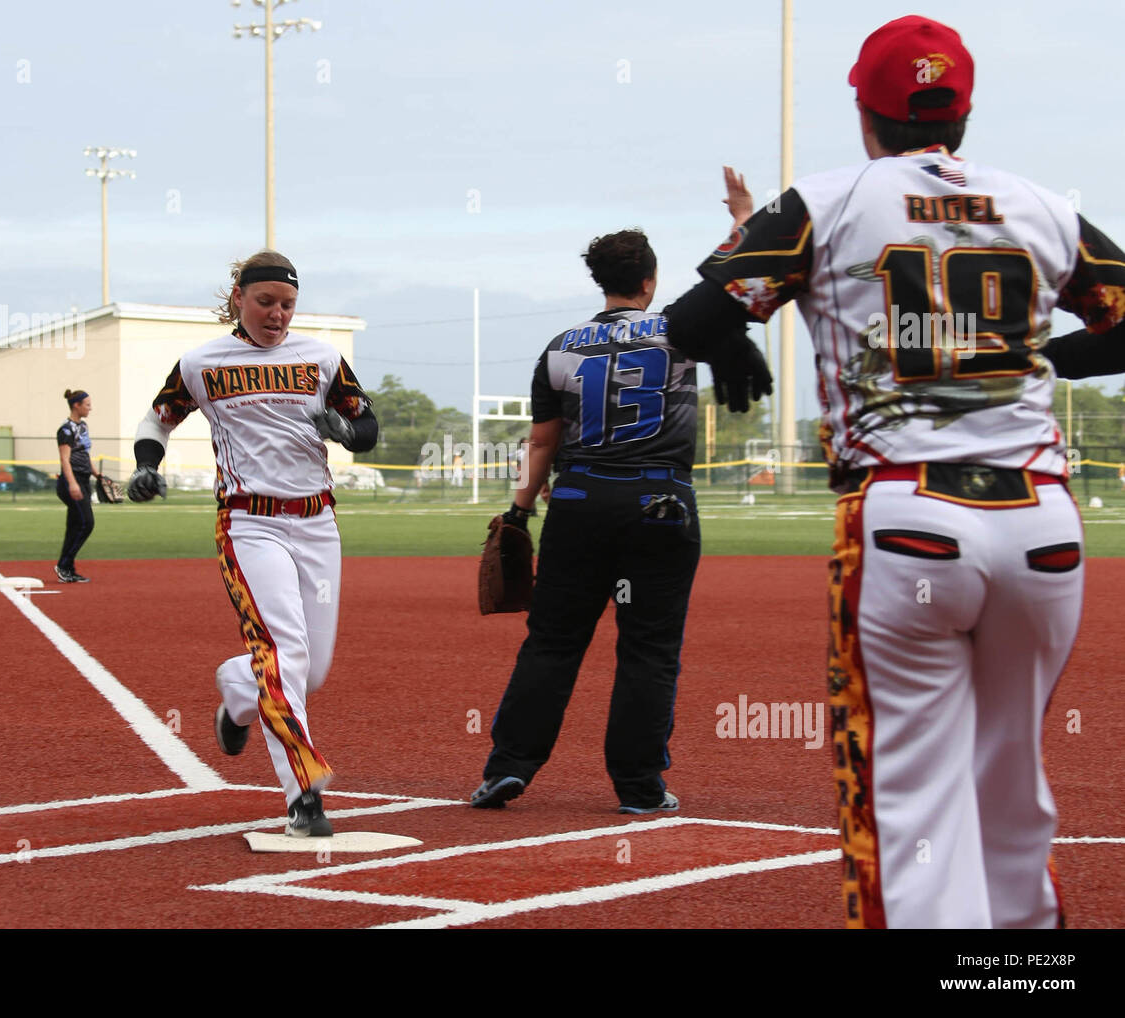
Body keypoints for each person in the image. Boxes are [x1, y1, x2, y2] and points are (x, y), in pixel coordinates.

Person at [660, 15, 1125, 927]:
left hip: (910, 516)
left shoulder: (828, 199)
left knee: (906, 796)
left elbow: (690, 318)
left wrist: (732, 348)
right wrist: (1039, 362)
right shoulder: (1042, 204)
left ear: (864, 109)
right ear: (965, 109)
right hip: (1044, 526)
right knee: (1011, 781)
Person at [470, 228, 767, 814]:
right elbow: (740, 292)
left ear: (600, 281)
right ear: (650, 282)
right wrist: (743, 223)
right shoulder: (679, 333)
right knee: (649, 649)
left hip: (579, 504)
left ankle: (508, 767)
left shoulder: (560, 346)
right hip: (661, 505)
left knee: (552, 643)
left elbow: (542, 442)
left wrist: (519, 512)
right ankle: (638, 786)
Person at [125, 250, 377, 838]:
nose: (278, 314)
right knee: (285, 651)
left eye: (287, 304)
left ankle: (240, 691)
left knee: (309, 670)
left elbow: (367, 425)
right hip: (249, 523)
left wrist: (345, 432)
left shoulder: (320, 357)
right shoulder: (202, 362)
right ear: (238, 297)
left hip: (317, 522)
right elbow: (157, 420)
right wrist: (146, 465)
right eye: (265, 302)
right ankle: (303, 795)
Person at [55, 389, 94, 583]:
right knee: (86, 523)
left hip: (84, 479)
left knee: (74, 526)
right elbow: (65, 459)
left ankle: (67, 569)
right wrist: (72, 484)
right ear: (76, 405)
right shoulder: (66, 429)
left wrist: (98, 474)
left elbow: (85, 454)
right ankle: (63, 564)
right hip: (72, 480)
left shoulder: (83, 426)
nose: (90, 408)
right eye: (87, 404)